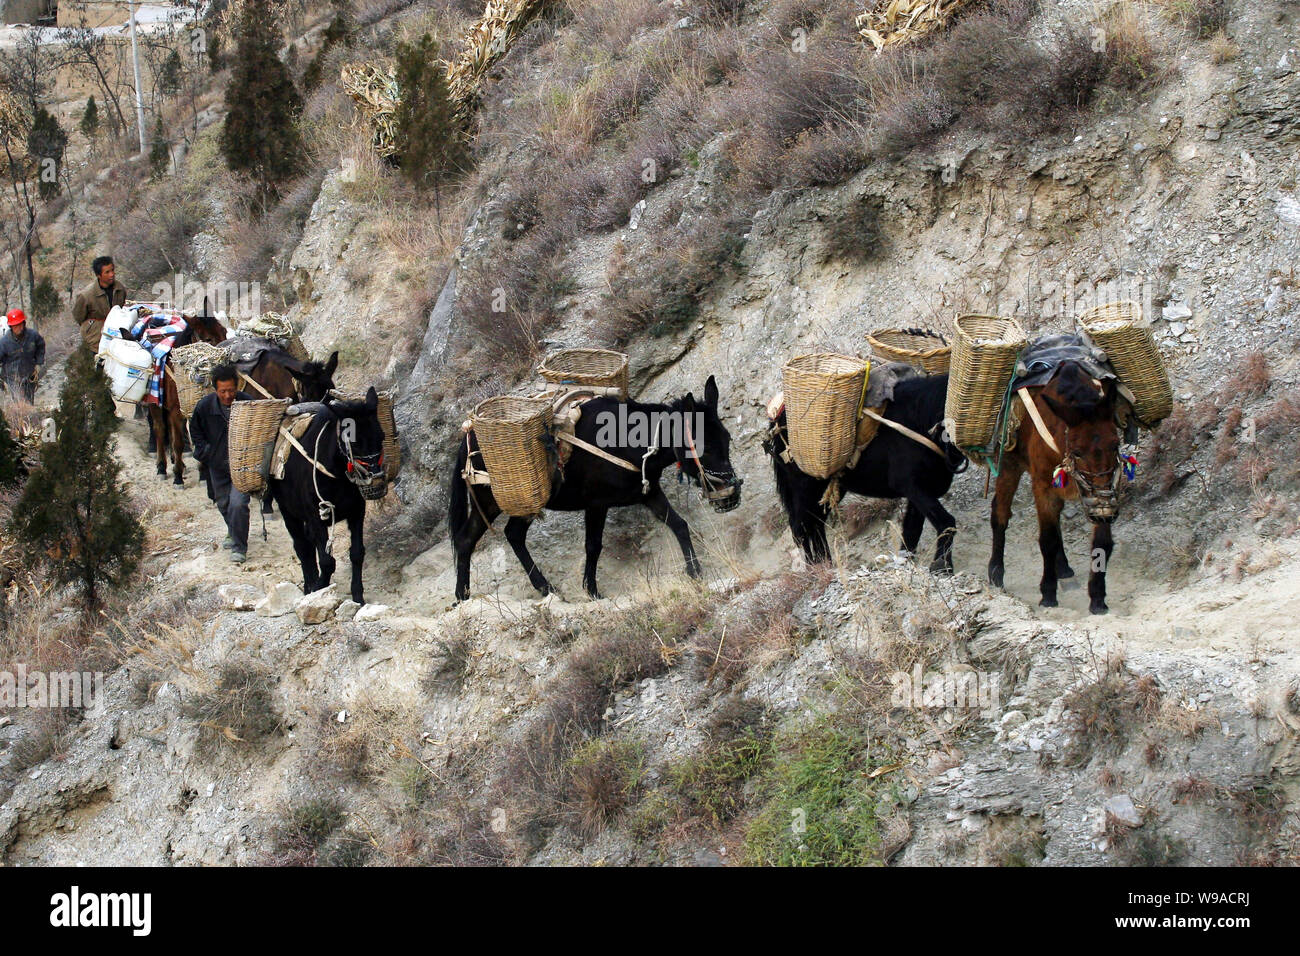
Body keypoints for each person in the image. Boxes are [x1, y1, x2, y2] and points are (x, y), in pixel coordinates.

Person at [189, 365, 252, 564]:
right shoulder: (205, 407)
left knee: (238, 504)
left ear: (238, 387)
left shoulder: (249, 404)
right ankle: (233, 531)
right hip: (217, 466)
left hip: (242, 465)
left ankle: (239, 547)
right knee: (223, 503)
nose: (227, 395)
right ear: (215, 390)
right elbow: (196, 432)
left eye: (231, 390)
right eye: (223, 391)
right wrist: (206, 453)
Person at [71, 256, 127, 354]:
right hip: (95, 340)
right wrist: (93, 327)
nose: (112, 274)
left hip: (116, 335)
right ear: (99, 275)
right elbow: (78, 316)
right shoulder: (86, 295)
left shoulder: (120, 289)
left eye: (112, 270)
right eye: (107, 272)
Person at [0, 308, 45, 403]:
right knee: (20, 402)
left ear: (24, 323)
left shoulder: (33, 336)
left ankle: (30, 416)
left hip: (29, 375)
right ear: (11, 327)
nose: (18, 328)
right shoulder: (4, 342)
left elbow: (41, 348)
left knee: (29, 401)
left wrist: (38, 364)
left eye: (20, 324)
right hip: (12, 377)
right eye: (15, 326)